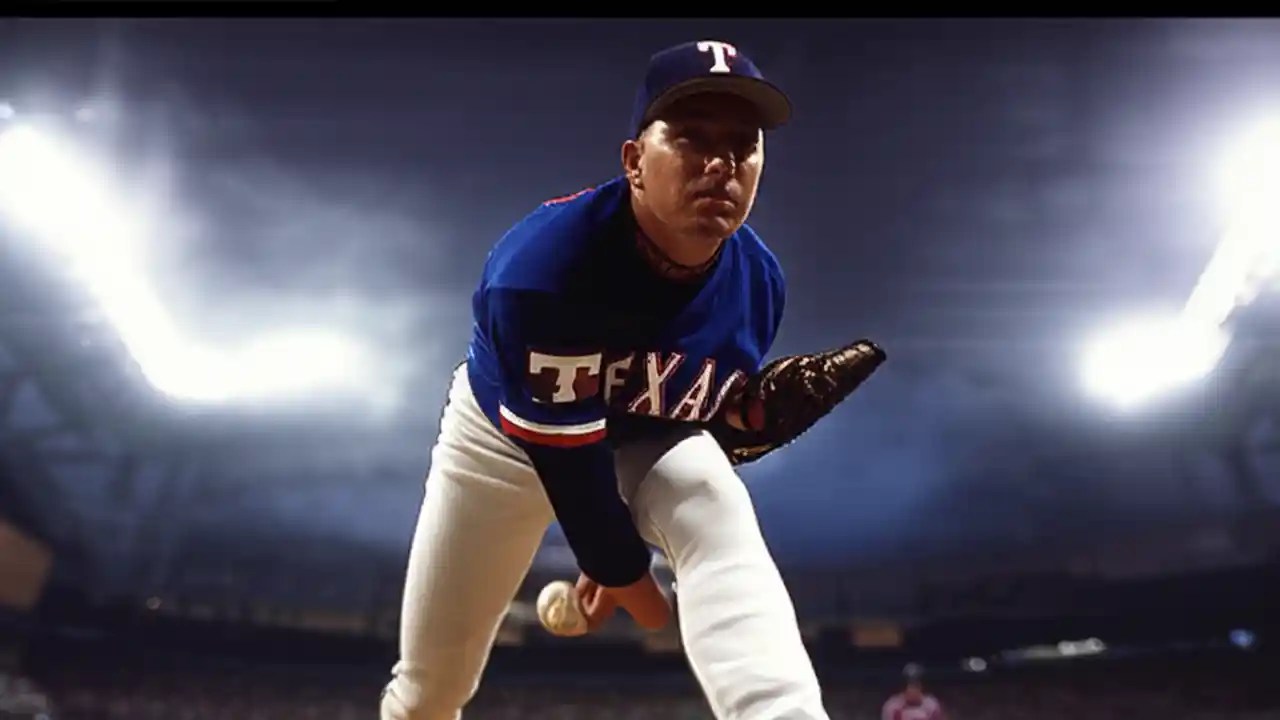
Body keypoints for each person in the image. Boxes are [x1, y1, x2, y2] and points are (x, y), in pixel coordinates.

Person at [380, 39, 845, 720]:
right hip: (502, 443)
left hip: (642, 435)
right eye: (691, 139)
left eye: (742, 146)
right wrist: (625, 574)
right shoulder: (544, 271)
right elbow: (571, 470)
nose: (721, 163)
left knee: (714, 505)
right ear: (634, 161)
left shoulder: (760, 283)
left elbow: (693, 418)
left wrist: (739, 421)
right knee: (429, 691)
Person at [881, 664, 946, 720]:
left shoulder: (932, 705)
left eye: (916, 685)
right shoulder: (892, 706)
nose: (912, 690)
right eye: (910, 685)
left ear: (921, 687)